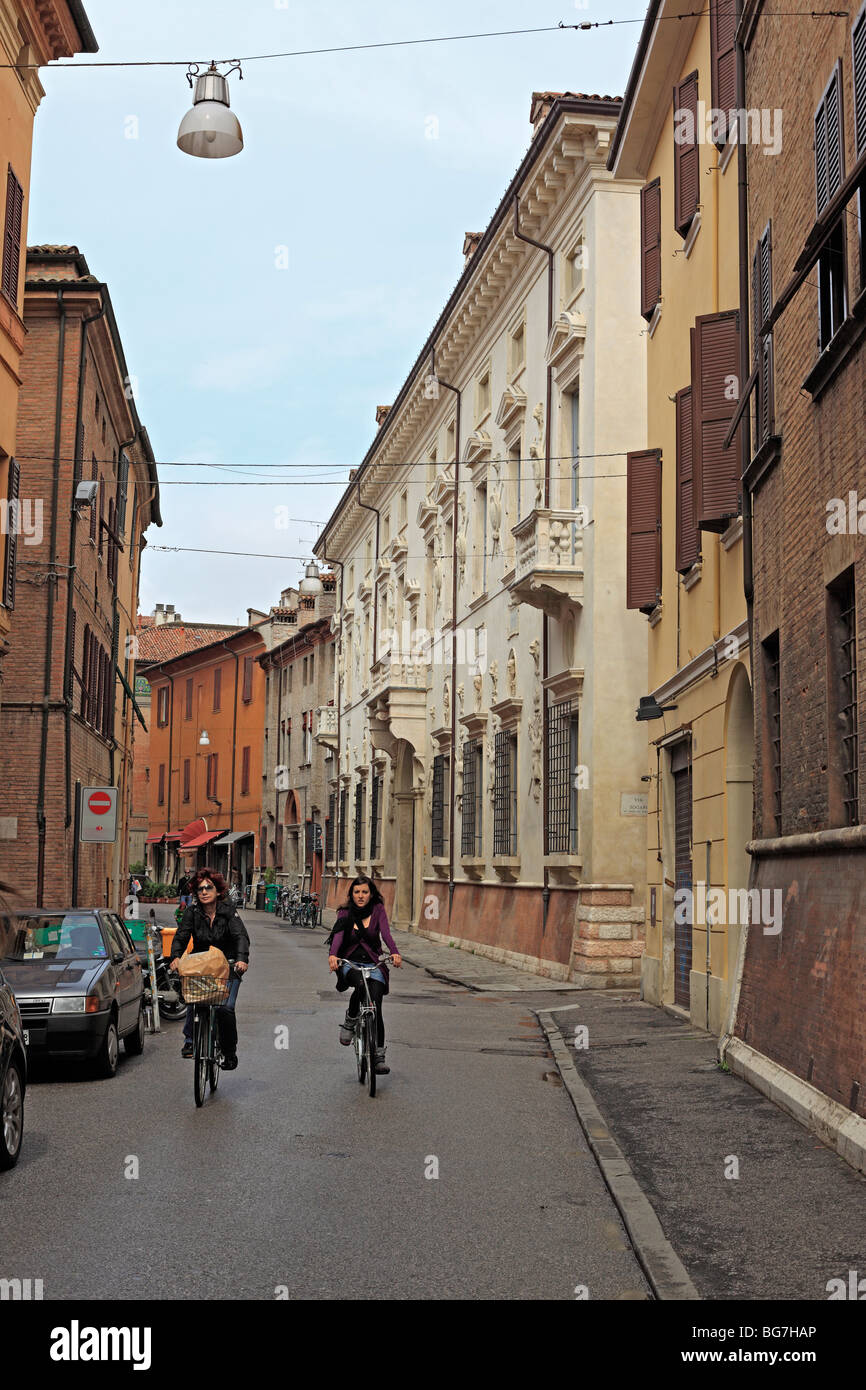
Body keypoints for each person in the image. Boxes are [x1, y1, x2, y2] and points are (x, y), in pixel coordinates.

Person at [168, 868, 250, 1070]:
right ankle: (190, 1040)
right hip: (201, 965)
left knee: (225, 1008)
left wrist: (241, 960)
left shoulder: (229, 912)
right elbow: (181, 936)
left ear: (217, 890)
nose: (204, 891)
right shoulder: (192, 913)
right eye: (199, 889)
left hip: (228, 966)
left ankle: (229, 1052)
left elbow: (241, 937)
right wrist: (176, 958)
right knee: (193, 998)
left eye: (208, 887)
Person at [328, 875, 401, 1074]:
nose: (361, 896)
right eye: (357, 892)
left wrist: (394, 952)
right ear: (352, 894)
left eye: (365, 892)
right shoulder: (344, 913)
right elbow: (338, 937)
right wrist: (334, 956)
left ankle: (378, 1057)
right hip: (350, 962)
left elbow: (385, 933)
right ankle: (351, 1019)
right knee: (360, 984)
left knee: (376, 1005)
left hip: (373, 962)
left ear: (371, 894)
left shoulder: (378, 910)